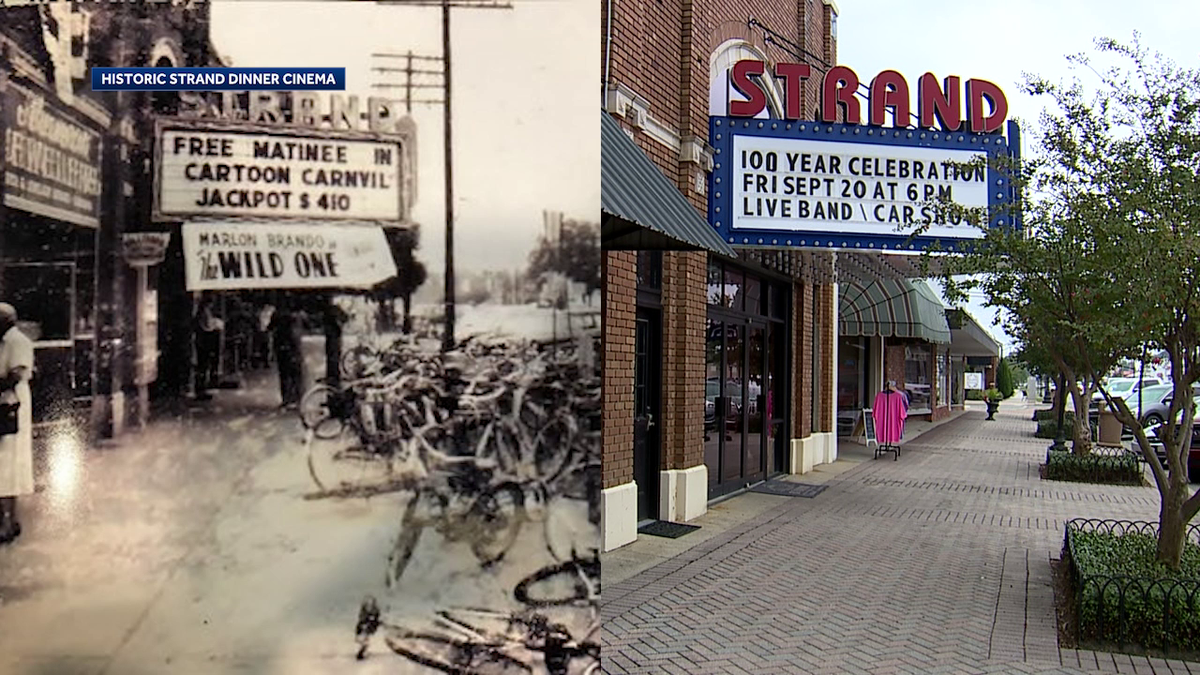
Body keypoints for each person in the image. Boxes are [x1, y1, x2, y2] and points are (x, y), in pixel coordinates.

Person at [0, 303, 34, 544]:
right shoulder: (4, 341)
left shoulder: (17, 341)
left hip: (12, 405)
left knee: (8, 462)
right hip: (5, 403)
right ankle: (8, 520)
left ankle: (7, 522)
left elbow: (17, 374)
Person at [271, 301, 304, 409]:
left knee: (284, 374)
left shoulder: (278, 314)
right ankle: (298, 399)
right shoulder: (298, 316)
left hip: (282, 347)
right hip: (294, 348)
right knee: (296, 374)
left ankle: (287, 399)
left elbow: (270, 327)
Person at [194, 294, 224, 400]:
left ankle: (202, 388)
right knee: (203, 366)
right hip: (204, 342)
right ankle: (201, 389)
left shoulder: (202, 312)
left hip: (202, 342)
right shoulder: (204, 312)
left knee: (203, 366)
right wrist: (215, 326)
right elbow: (207, 327)